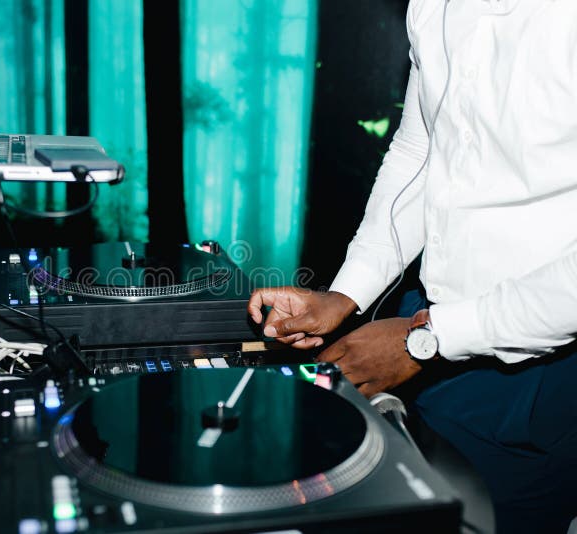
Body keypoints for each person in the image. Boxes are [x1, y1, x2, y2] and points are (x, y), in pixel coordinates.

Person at [247, 1, 577, 533]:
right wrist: (347, 294)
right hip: (423, 330)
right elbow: (419, 151)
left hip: (540, 377)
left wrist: (423, 342)